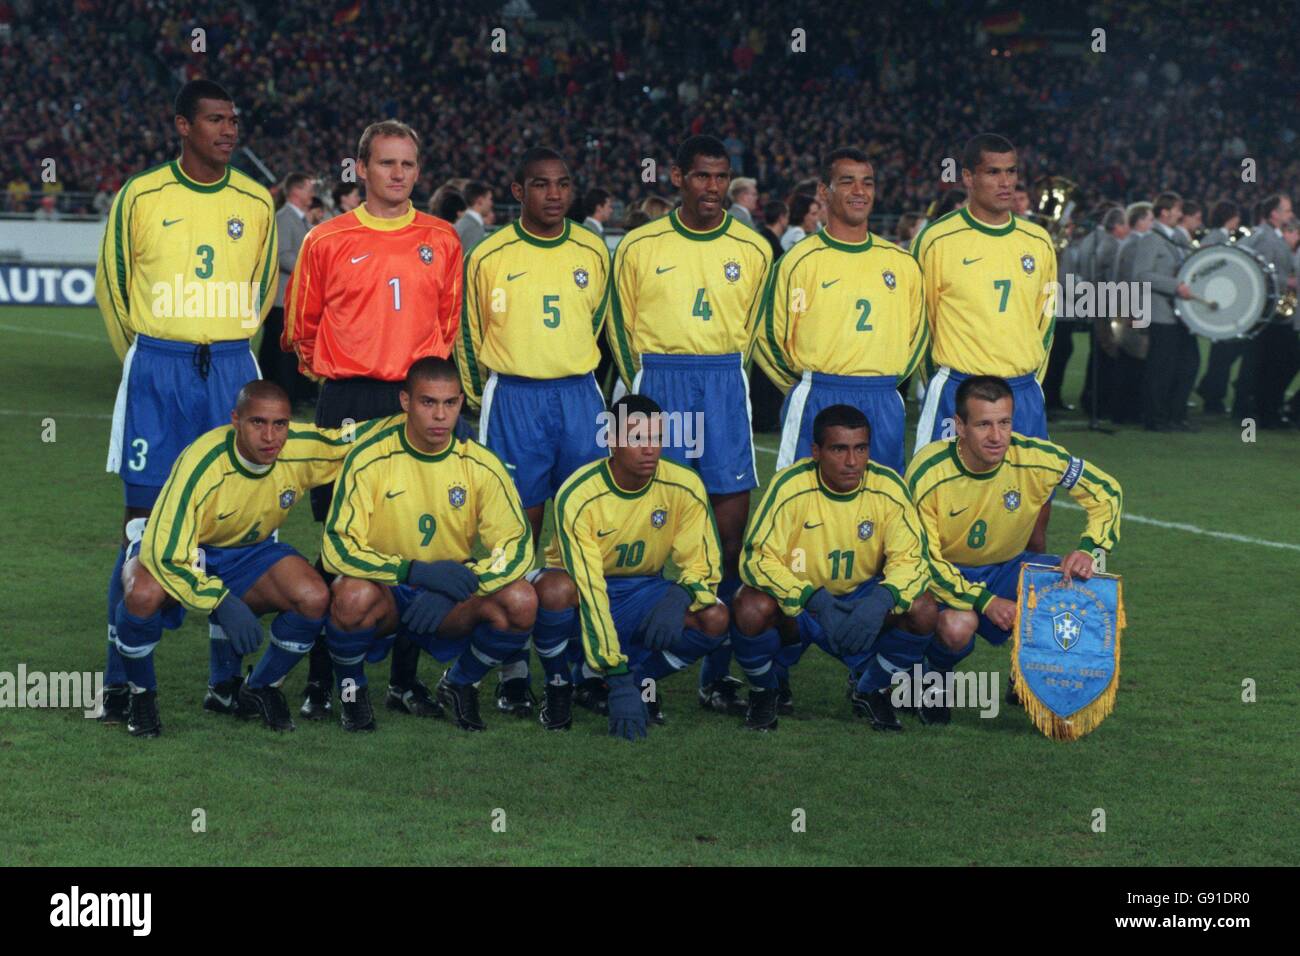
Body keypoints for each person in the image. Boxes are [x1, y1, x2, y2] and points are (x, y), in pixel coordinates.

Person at [95, 79, 276, 724]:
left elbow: (258, 292)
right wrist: (145, 360)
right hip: (158, 370)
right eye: (215, 120)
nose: (229, 130)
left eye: (234, 119)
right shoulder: (141, 195)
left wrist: (226, 353)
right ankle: (120, 680)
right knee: (141, 528)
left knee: (236, 521)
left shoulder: (256, 201)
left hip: (229, 366)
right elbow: (114, 286)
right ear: (182, 125)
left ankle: (225, 680)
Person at [282, 119, 463, 721]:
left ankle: (404, 682)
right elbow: (300, 331)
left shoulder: (443, 238)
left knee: (416, 536)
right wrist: (351, 371)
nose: (399, 175)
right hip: (349, 405)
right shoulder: (325, 239)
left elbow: (449, 328)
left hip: (417, 404)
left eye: (408, 164)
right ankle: (322, 679)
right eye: (387, 164)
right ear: (360, 169)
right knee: (341, 542)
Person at [607, 134, 771, 716]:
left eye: (721, 177)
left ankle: (716, 676)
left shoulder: (753, 249)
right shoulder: (639, 245)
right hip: (660, 382)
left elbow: (756, 332)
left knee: (726, 541)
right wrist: (643, 397)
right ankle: (627, 666)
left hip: (724, 385)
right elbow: (618, 327)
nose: (712, 188)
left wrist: (728, 382)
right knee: (648, 536)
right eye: (701, 176)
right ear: (677, 177)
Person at [111, 382, 381, 736]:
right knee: (143, 593)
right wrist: (220, 600)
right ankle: (140, 696)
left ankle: (256, 688)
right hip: (181, 549)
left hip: (249, 551)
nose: (271, 436)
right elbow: (164, 552)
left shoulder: (300, 447)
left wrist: (426, 424)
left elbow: (353, 438)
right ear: (235, 420)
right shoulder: (201, 463)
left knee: (313, 596)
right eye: (258, 423)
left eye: (280, 424)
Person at [455, 147, 611, 715]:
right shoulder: (489, 252)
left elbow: (596, 319)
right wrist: (480, 400)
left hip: (577, 394)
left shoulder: (593, 248)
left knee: (587, 526)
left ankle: (584, 664)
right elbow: (468, 335)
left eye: (563, 184)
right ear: (517, 191)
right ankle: (513, 666)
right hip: (514, 396)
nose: (553, 194)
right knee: (514, 530)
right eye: (540, 185)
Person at [321, 357, 536, 731]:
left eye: (450, 403)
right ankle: (352, 691)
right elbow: (337, 548)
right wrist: (411, 571)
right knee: (350, 596)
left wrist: (465, 583)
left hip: (449, 595)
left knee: (521, 601)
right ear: (405, 402)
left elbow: (517, 545)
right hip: (386, 590)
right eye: (428, 402)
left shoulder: (481, 464)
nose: (440, 415)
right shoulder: (368, 457)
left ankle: (459, 683)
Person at [906, 376, 1122, 723]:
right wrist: (985, 602)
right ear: (959, 426)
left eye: (1004, 423)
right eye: (983, 425)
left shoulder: (1036, 457)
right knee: (958, 626)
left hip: (1007, 568)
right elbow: (925, 562)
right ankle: (935, 677)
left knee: (1075, 585)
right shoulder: (928, 472)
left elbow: (1107, 492)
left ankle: (1034, 680)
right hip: (947, 574)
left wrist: (1088, 547)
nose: (996, 436)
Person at [730, 404, 937, 731]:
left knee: (923, 608)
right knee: (749, 605)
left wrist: (882, 599)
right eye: (839, 449)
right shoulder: (791, 486)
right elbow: (756, 558)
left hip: (862, 600)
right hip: (803, 605)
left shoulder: (889, 488)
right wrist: (812, 598)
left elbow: (913, 560)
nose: (852, 461)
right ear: (817, 451)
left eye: (861, 449)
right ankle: (765, 690)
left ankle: (871, 689)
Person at [532, 395, 729, 737]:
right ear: (610, 440)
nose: (649, 449)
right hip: (582, 593)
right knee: (553, 590)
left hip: (643, 590)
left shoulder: (685, 485)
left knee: (715, 617)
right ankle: (559, 685)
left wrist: (682, 594)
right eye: (637, 438)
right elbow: (590, 588)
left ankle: (642, 681)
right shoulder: (578, 493)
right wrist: (615, 671)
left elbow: (703, 564)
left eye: (655, 438)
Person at [911, 133, 1056, 552]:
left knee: (1035, 500)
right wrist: (938, 383)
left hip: (1023, 392)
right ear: (968, 177)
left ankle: (1024, 604)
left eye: (1011, 172)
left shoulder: (1038, 241)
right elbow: (920, 325)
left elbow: (1044, 322)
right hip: (957, 387)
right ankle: (933, 610)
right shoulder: (936, 240)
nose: (1005, 182)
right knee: (939, 507)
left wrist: (1027, 382)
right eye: (993, 172)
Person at [759, 147, 926, 477]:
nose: (860, 191)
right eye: (847, 182)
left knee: (883, 506)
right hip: (819, 394)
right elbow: (769, 336)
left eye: (868, 183)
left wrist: (887, 378)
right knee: (805, 507)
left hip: (882, 396)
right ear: (824, 191)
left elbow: (917, 334)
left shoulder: (901, 263)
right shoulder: (799, 260)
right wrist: (803, 386)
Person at [1133, 191, 1197, 432]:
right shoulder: (1151, 239)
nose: (1181, 214)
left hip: (1178, 314)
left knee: (1185, 365)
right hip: (1161, 313)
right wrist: (1175, 286)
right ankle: (1155, 418)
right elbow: (1141, 274)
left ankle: (1174, 415)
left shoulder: (1175, 239)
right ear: (1165, 212)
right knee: (1161, 368)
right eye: (1177, 210)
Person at [1240, 194, 1298, 427]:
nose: (1291, 214)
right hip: (1270, 312)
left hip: (1274, 311)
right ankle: (1267, 410)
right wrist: (1289, 282)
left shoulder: (1269, 235)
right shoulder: (1266, 237)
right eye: (1287, 210)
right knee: (1282, 359)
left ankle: (1266, 408)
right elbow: (1261, 270)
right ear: (1274, 213)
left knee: (1272, 361)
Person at [259, 172, 315, 405]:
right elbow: (282, 255)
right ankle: (277, 394)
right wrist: (312, 270)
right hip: (282, 299)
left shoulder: (300, 219)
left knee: (287, 352)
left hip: (294, 300)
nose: (312, 193)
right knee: (279, 352)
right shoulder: (284, 218)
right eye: (308, 188)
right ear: (295, 191)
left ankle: (291, 393)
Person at [1195, 199, 1246, 416]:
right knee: (1225, 351)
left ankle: (1210, 389)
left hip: (1223, 300)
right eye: (1237, 216)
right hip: (1220, 302)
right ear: (1231, 217)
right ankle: (1212, 396)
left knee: (1225, 351)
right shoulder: (1217, 237)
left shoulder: (1219, 236)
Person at [455, 180, 494, 253]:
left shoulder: (466, 223)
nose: (491, 203)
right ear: (480, 201)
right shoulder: (472, 227)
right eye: (490, 199)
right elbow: (472, 262)